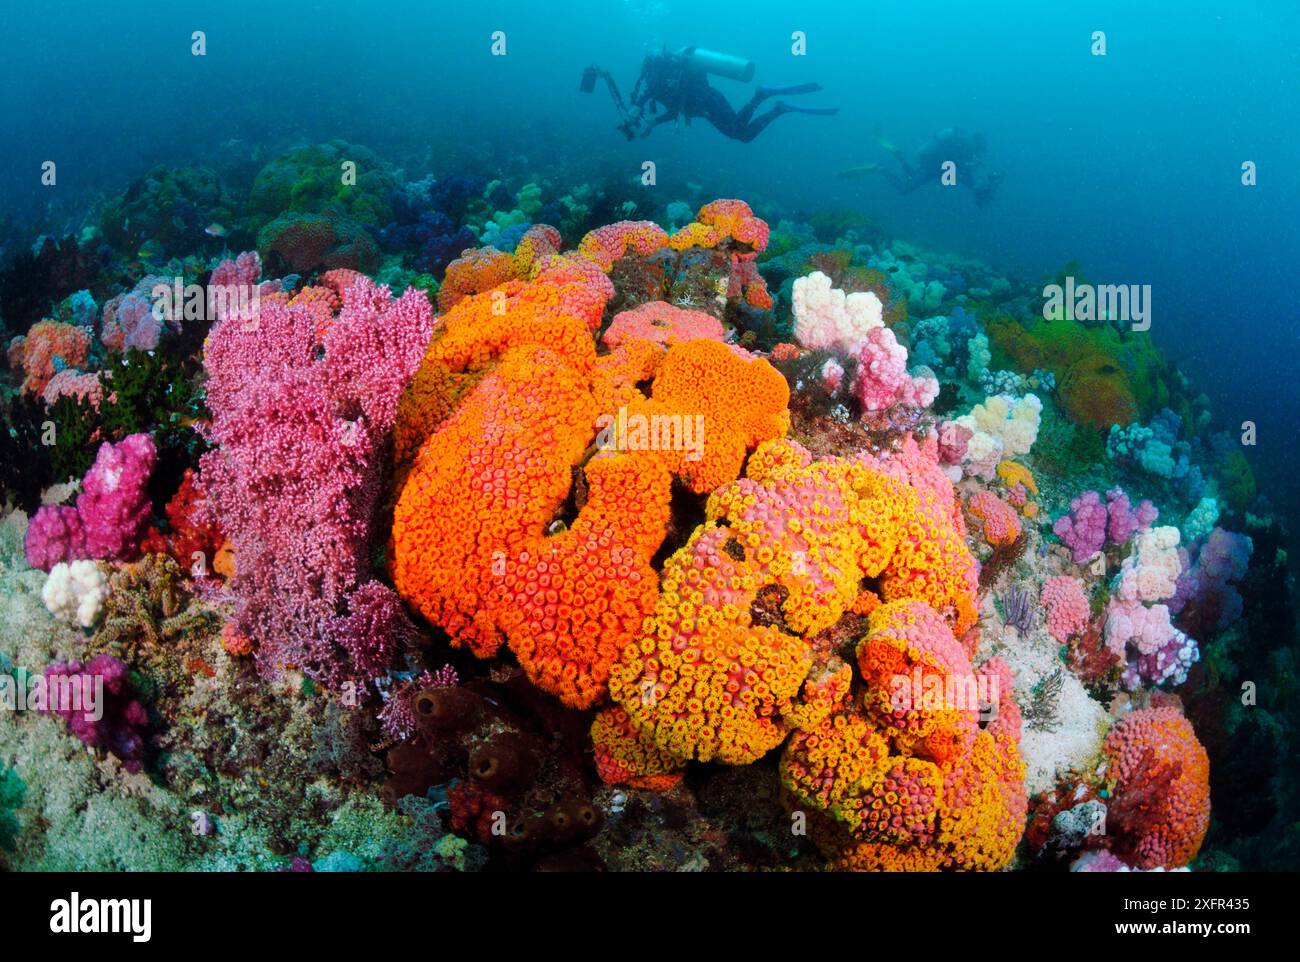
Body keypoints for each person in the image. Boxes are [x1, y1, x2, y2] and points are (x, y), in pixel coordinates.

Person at [600, 49, 837, 143]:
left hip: (706, 102)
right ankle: (770, 102)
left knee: (741, 134)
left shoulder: (655, 80)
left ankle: (768, 101)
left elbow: (651, 96)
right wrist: (654, 121)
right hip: (710, 99)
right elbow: (673, 109)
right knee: (740, 130)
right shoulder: (668, 76)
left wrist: (639, 110)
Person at [841, 126, 1003, 205]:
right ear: (978, 144)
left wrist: (968, 177)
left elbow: (955, 170)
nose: (981, 153)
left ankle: (898, 156)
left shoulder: (963, 146)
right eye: (982, 149)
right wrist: (972, 182)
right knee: (905, 189)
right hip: (932, 166)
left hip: (932, 164)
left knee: (912, 176)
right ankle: (880, 169)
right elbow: (954, 171)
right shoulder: (966, 149)